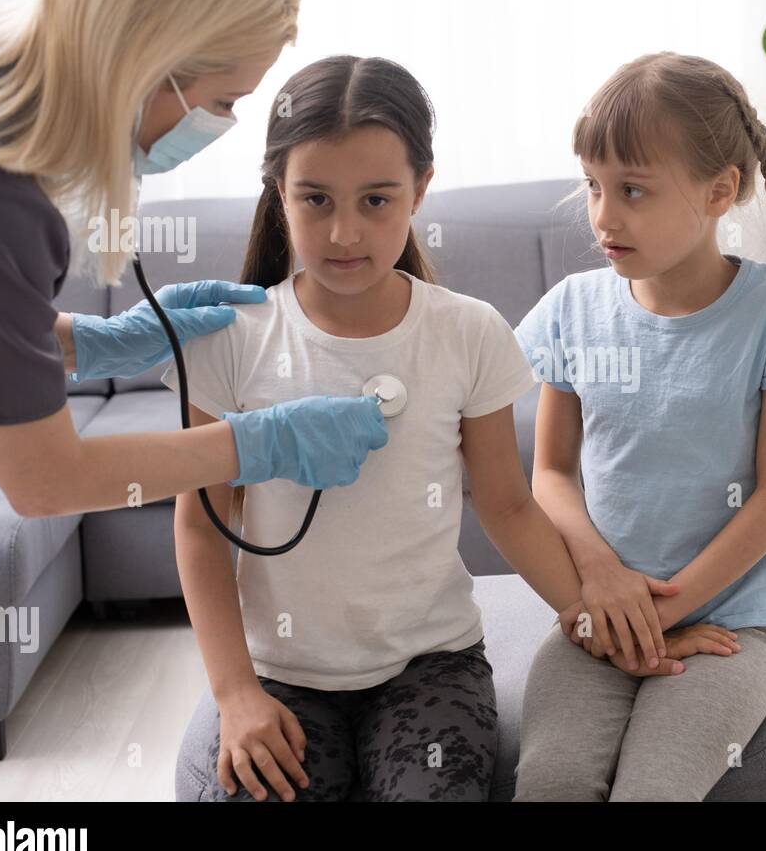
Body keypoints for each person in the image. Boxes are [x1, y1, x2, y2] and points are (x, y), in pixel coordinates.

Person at [165, 56, 616, 801]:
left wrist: (596, 623)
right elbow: (202, 525)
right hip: (282, 673)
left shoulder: (467, 333)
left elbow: (507, 505)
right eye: (315, 199)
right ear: (278, 191)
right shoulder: (228, 338)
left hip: (430, 666)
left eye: (377, 200)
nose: (345, 232)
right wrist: (235, 693)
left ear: (421, 190)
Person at [0, 0, 386, 521]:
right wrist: (259, 443)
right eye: (224, 101)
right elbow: (44, 481)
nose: (223, 123)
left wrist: (96, 342)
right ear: (148, 61)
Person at [512, 52, 766, 801]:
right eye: (595, 186)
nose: (604, 215)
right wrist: (603, 584)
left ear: (720, 190)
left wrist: (664, 611)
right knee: (549, 782)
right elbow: (551, 473)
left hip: (731, 621)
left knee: (655, 791)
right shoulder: (573, 308)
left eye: (632, 190)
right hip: (597, 612)